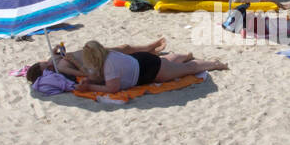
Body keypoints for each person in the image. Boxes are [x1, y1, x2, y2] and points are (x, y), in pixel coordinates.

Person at [68, 39, 228, 92]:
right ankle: (185, 55)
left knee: (187, 69)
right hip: (141, 62)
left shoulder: (109, 64)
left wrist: (90, 87)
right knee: (168, 61)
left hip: (150, 70)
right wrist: (90, 81)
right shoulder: (107, 54)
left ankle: (214, 63)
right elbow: (95, 76)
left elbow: (112, 88)